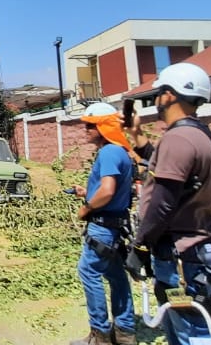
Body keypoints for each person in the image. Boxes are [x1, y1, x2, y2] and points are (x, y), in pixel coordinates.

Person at [128, 63, 211, 345]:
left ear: (170, 95)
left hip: (181, 258)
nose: (156, 100)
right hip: (198, 250)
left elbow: (162, 203)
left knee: (192, 333)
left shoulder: (178, 139)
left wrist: (140, 246)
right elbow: (167, 168)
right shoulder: (198, 135)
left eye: (159, 93)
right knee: (180, 327)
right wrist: (138, 138)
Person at [70, 103, 137, 345]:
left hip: (102, 226)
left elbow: (107, 191)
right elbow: (114, 189)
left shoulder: (108, 152)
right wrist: (87, 191)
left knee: (88, 272)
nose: (86, 130)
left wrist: (86, 208)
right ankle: (125, 332)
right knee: (116, 275)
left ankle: (100, 335)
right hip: (116, 225)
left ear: (103, 127)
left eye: (90, 126)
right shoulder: (121, 151)